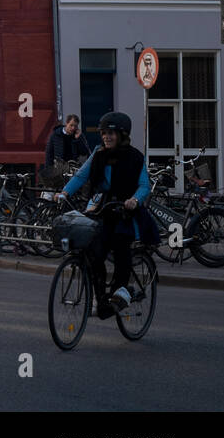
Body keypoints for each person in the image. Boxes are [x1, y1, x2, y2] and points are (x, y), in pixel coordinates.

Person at [59, 112, 154, 320]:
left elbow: (144, 185)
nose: (106, 137)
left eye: (111, 133)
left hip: (124, 212)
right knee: (94, 252)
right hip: (102, 209)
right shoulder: (99, 154)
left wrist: (135, 200)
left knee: (121, 248)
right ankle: (100, 299)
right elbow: (81, 174)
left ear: (121, 135)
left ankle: (120, 292)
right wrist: (64, 192)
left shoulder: (135, 157)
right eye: (103, 134)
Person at [44, 113, 91, 180]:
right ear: (66, 123)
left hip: (73, 167)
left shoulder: (79, 136)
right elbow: (49, 153)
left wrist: (77, 139)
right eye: (71, 125)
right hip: (59, 167)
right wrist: (48, 170)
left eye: (75, 126)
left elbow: (84, 152)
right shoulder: (55, 135)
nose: (73, 128)